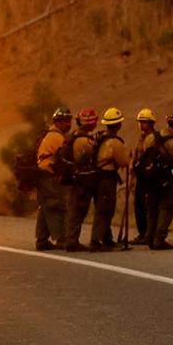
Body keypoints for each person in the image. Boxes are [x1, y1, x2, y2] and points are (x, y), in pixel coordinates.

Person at [89, 108, 132, 250]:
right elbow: (124, 163)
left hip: (97, 178)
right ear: (119, 124)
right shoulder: (115, 142)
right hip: (106, 179)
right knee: (105, 209)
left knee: (103, 207)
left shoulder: (100, 138)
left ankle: (106, 239)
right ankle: (96, 241)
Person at [147, 111, 173, 251]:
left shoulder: (150, 138)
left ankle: (150, 236)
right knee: (168, 206)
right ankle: (159, 238)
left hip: (151, 179)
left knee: (153, 207)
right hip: (168, 179)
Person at [33, 107, 73, 251]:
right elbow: (66, 158)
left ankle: (42, 240)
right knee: (56, 206)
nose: (68, 124)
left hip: (42, 175)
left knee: (45, 207)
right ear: (58, 122)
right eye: (65, 121)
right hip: (49, 176)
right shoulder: (57, 137)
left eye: (69, 120)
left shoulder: (49, 134)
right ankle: (61, 238)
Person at [61, 108, 100, 252]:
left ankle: (70, 240)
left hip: (73, 179)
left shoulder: (74, 136)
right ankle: (72, 241)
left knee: (73, 210)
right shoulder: (84, 141)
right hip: (81, 181)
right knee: (78, 211)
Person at [131, 109, 158, 245]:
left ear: (151, 123)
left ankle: (148, 233)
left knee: (149, 206)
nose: (142, 125)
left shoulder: (153, 139)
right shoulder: (141, 138)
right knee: (139, 205)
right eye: (140, 122)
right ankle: (143, 233)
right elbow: (136, 156)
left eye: (144, 122)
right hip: (140, 176)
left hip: (149, 176)